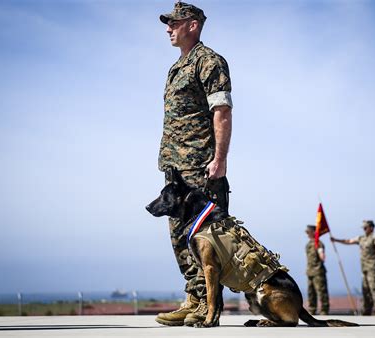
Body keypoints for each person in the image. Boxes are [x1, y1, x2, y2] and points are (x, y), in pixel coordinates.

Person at [155, 1, 233, 327]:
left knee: (202, 237)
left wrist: (220, 158)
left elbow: (222, 112)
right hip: (175, 167)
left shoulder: (209, 61)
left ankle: (208, 304)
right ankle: (193, 298)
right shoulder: (176, 67)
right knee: (178, 236)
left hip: (200, 165)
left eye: (174, 22)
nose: (168, 28)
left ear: (193, 25)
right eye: (168, 23)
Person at [331, 220, 375, 315]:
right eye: (363, 228)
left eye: (366, 227)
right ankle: (366, 312)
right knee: (365, 290)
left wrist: (373, 256)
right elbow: (349, 241)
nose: (364, 229)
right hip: (364, 269)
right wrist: (336, 240)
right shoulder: (361, 238)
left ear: (371, 227)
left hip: (373, 268)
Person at [305, 225, 330, 315]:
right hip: (310, 271)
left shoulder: (318, 243)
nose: (307, 234)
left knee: (321, 291)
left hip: (318, 271)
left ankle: (324, 310)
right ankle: (312, 309)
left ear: (313, 232)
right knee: (311, 292)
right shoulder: (309, 244)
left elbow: (321, 253)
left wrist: (322, 255)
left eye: (308, 232)